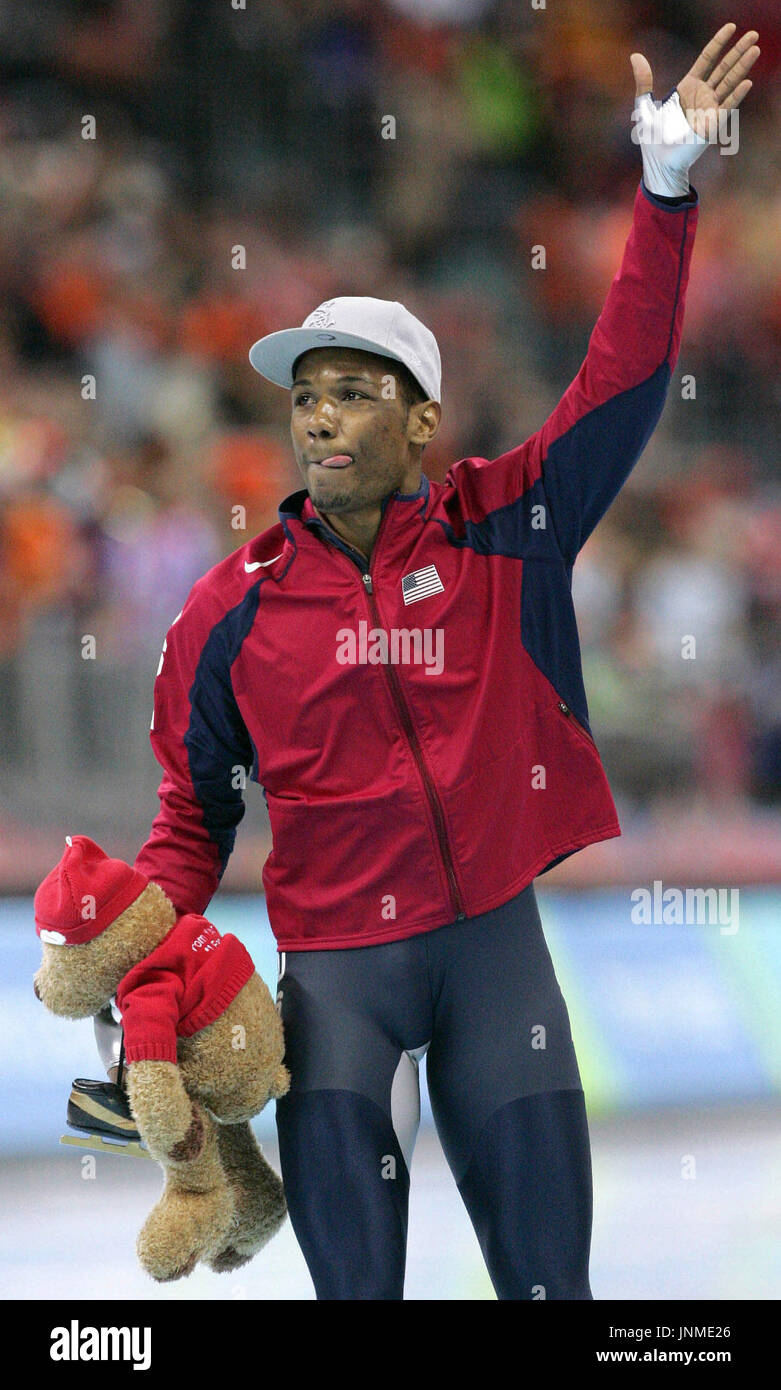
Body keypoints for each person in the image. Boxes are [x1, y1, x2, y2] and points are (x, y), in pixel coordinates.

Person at [133, 26, 759, 1299]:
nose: (319, 414)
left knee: (551, 1298)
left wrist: (664, 191)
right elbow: (190, 816)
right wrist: (148, 968)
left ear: (421, 419)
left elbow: (623, 379)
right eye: (305, 393)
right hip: (335, 992)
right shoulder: (226, 612)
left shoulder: (503, 528)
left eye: (355, 389)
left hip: (496, 963)